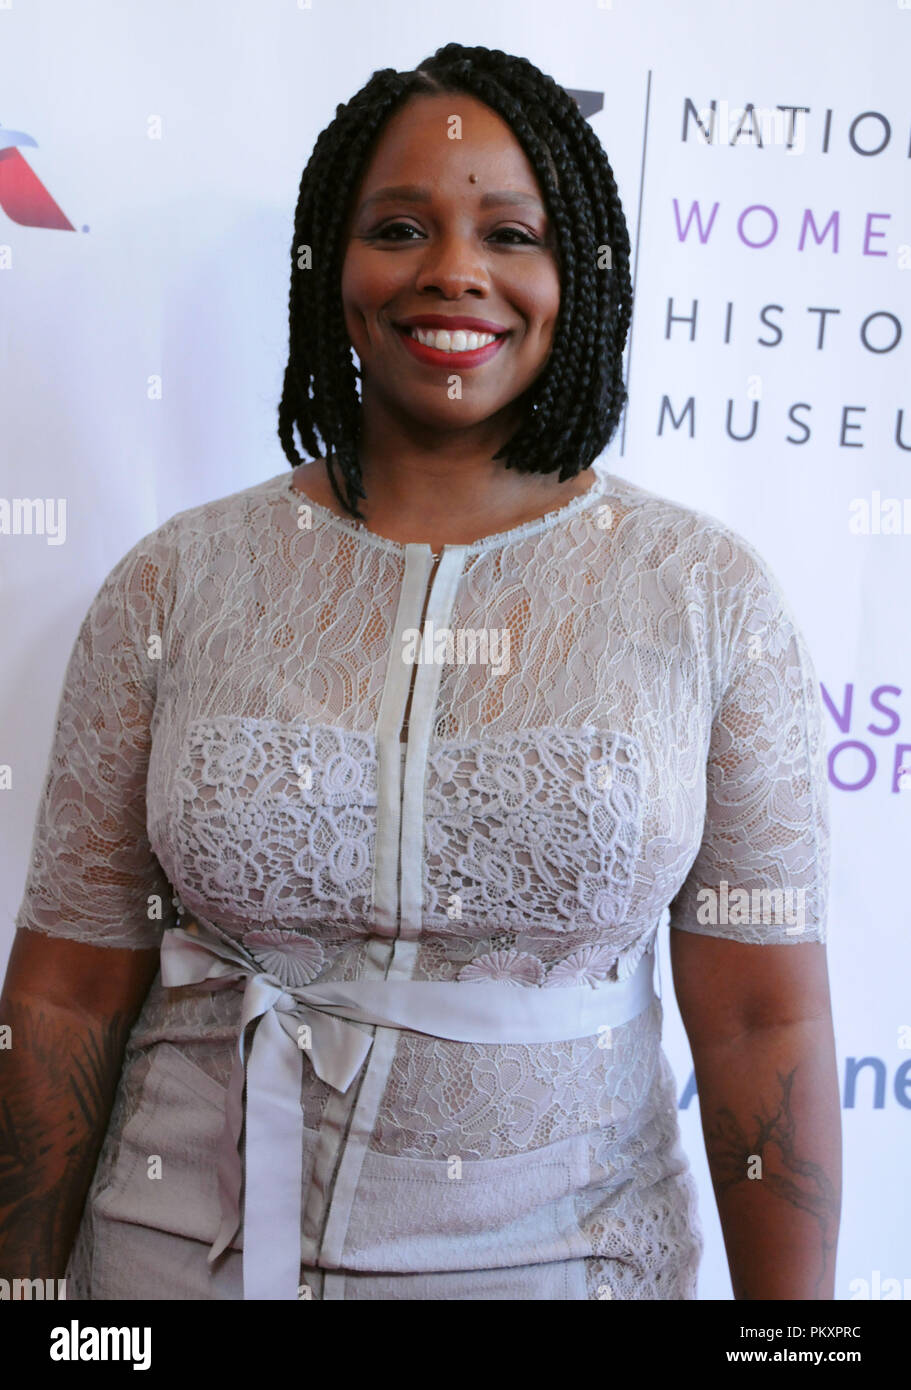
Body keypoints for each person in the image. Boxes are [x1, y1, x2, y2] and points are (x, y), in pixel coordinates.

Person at [1, 42, 840, 1301]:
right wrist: (25, 1301)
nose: (454, 270)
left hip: (567, 1269)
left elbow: (757, 1022)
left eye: (510, 232)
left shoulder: (705, 598)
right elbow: (65, 994)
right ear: (330, 273)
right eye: (399, 226)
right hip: (172, 1271)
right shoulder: (174, 583)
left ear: (576, 275)